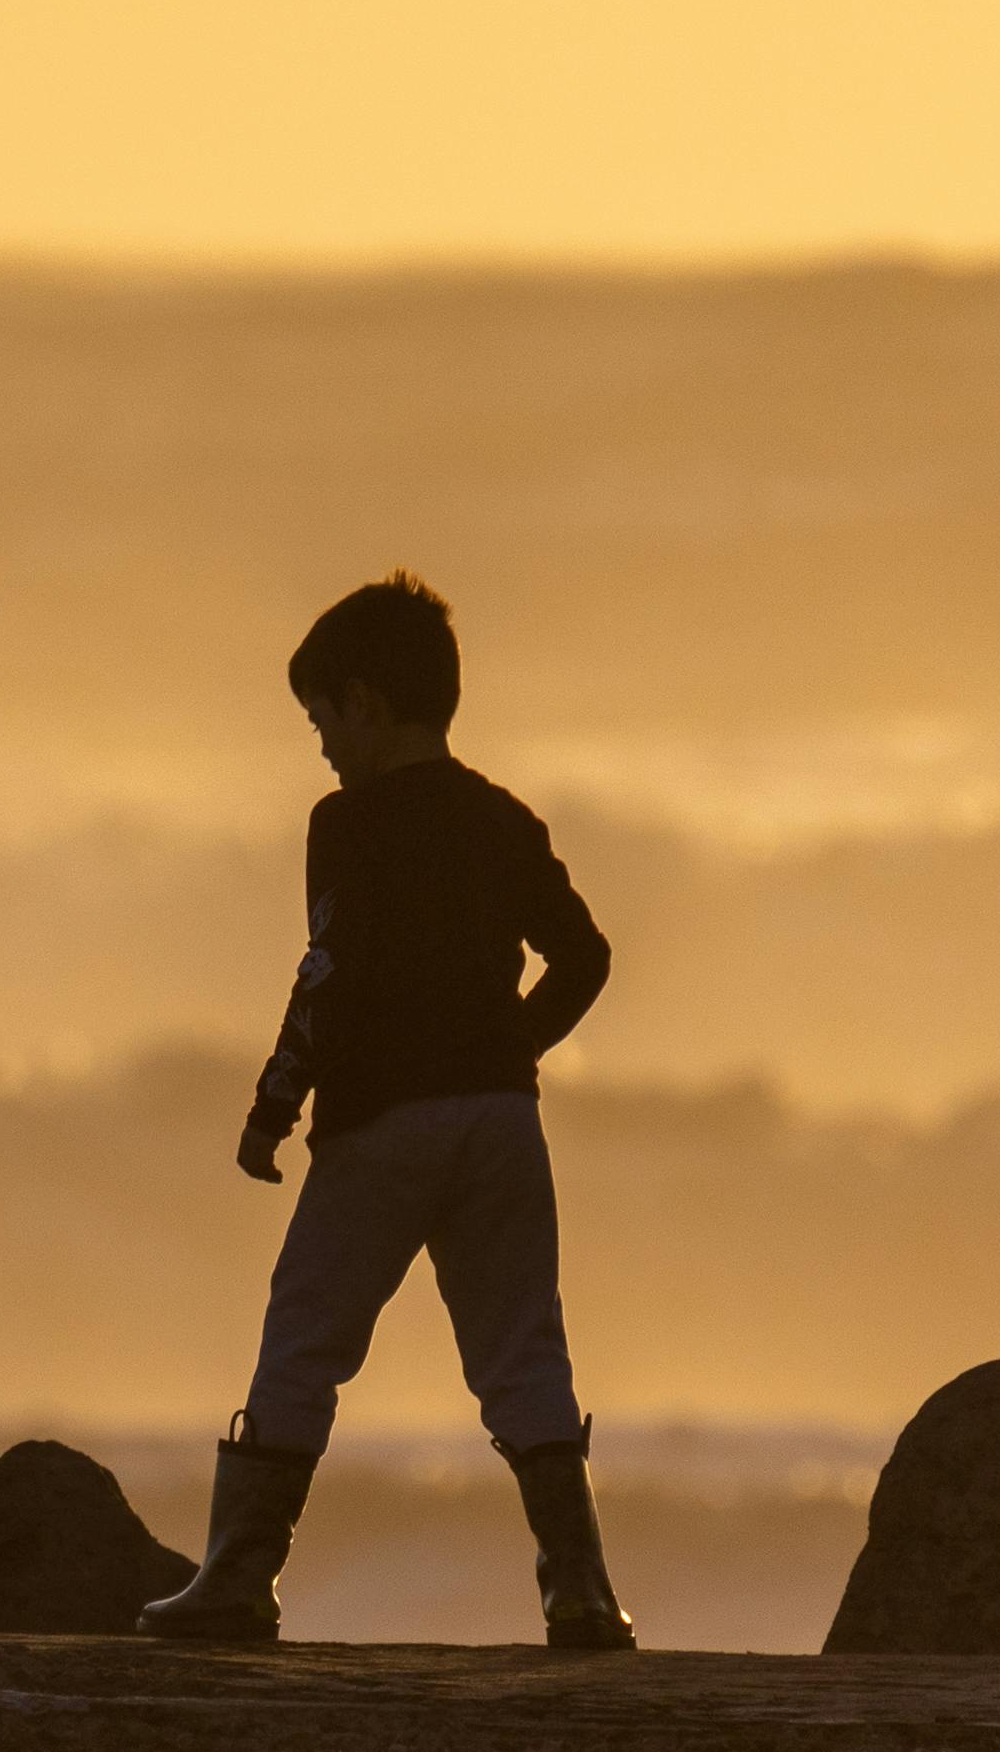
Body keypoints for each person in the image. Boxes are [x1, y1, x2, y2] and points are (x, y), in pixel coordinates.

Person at [139, 573, 635, 1651]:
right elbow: (585, 956)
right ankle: (580, 1593)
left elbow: (327, 974)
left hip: (380, 1126)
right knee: (522, 1354)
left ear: (361, 702)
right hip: (500, 1123)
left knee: (304, 1338)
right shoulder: (504, 818)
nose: (319, 743)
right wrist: (512, 1045)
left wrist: (272, 1106)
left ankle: (235, 1577)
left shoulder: (346, 824)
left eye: (320, 717)